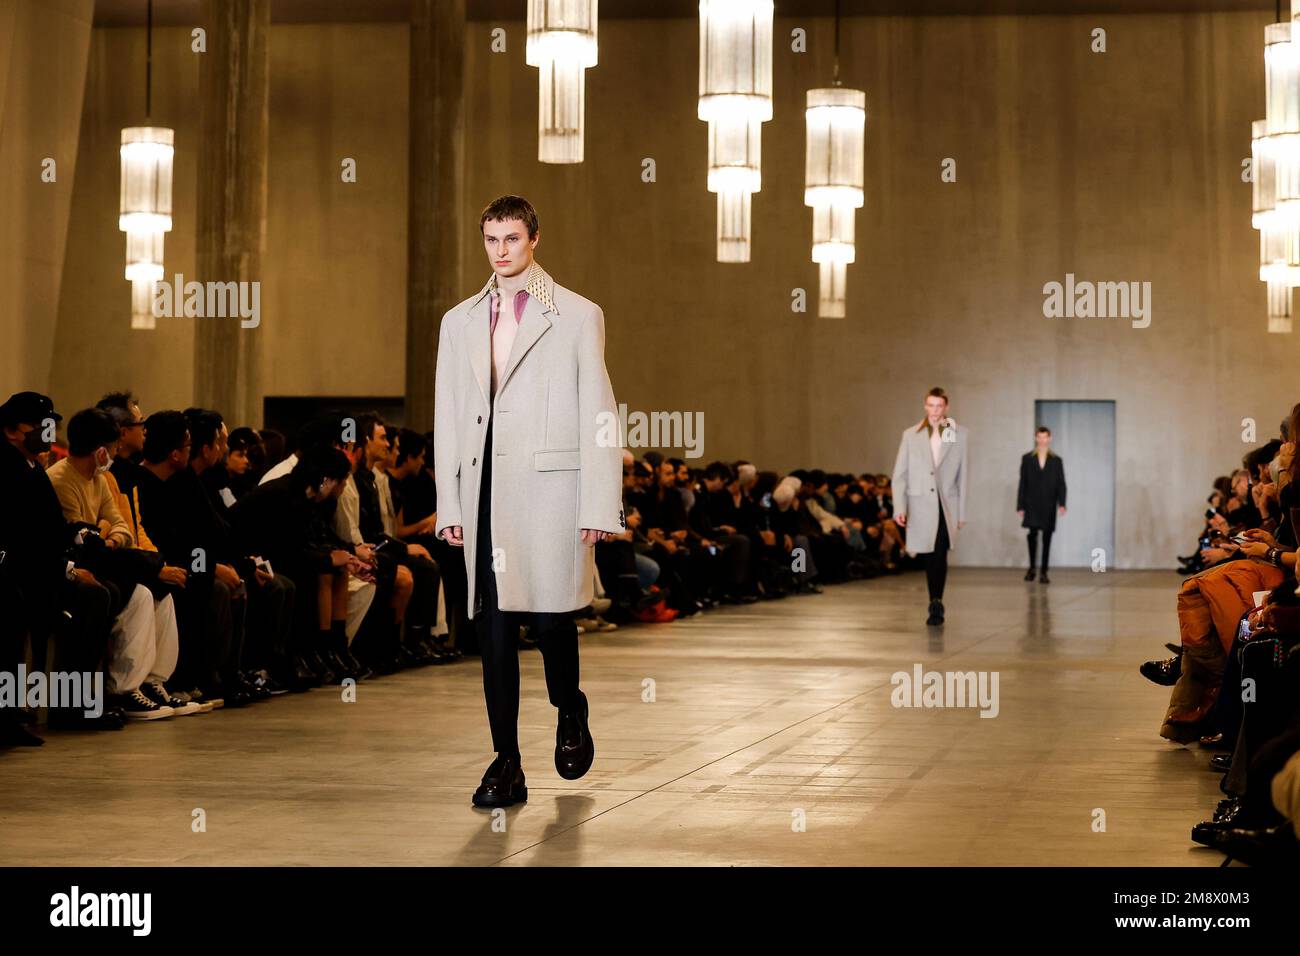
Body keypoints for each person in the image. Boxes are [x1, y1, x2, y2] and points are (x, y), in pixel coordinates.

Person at [433, 195, 624, 809]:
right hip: (482, 489)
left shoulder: (577, 315)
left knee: (549, 621)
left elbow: (599, 412)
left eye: (511, 238)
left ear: (534, 238)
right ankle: (506, 762)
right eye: (491, 239)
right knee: (492, 629)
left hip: (550, 492)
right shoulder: (458, 321)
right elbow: (448, 416)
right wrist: (449, 504)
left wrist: (601, 504)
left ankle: (570, 707)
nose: (501, 250)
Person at [891, 387, 969, 626]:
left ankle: (936, 602)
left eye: (939, 406)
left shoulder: (955, 432)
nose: (935, 411)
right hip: (920, 502)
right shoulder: (911, 434)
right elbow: (900, 474)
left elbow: (962, 474)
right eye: (931, 405)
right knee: (929, 551)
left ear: (946, 407)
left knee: (939, 551)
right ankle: (934, 599)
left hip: (946, 503)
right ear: (925, 406)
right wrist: (899, 507)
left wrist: (961, 512)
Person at [1016, 426, 1067, 584]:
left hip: (1049, 504)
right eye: (1039, 437)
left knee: (1047, 537)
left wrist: (1062, 503)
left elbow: (1061, 483)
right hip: (1031, 503)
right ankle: (1032, 569)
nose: (1042, 440)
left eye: (1045, 437)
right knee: (1032, 535)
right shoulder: (1027, 458)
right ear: (1036, 438)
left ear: (1049, 438)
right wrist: (1020, 505)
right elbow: (1023, 482)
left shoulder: (1056, 460)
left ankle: (1044, 571)